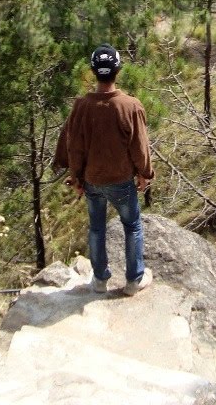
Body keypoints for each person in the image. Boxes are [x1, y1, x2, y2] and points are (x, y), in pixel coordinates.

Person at [55, 44, 154, 295]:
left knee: (96, 227)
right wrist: (144, 173)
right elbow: (139, 147)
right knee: (132, 226)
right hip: (121, 180)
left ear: (93, 71)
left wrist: (76, 177)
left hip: (92, 181)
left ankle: (99, 280)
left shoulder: (82, 106)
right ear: (117, 70)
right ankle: (134, 281)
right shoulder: (130, 106)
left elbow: (74, 146)